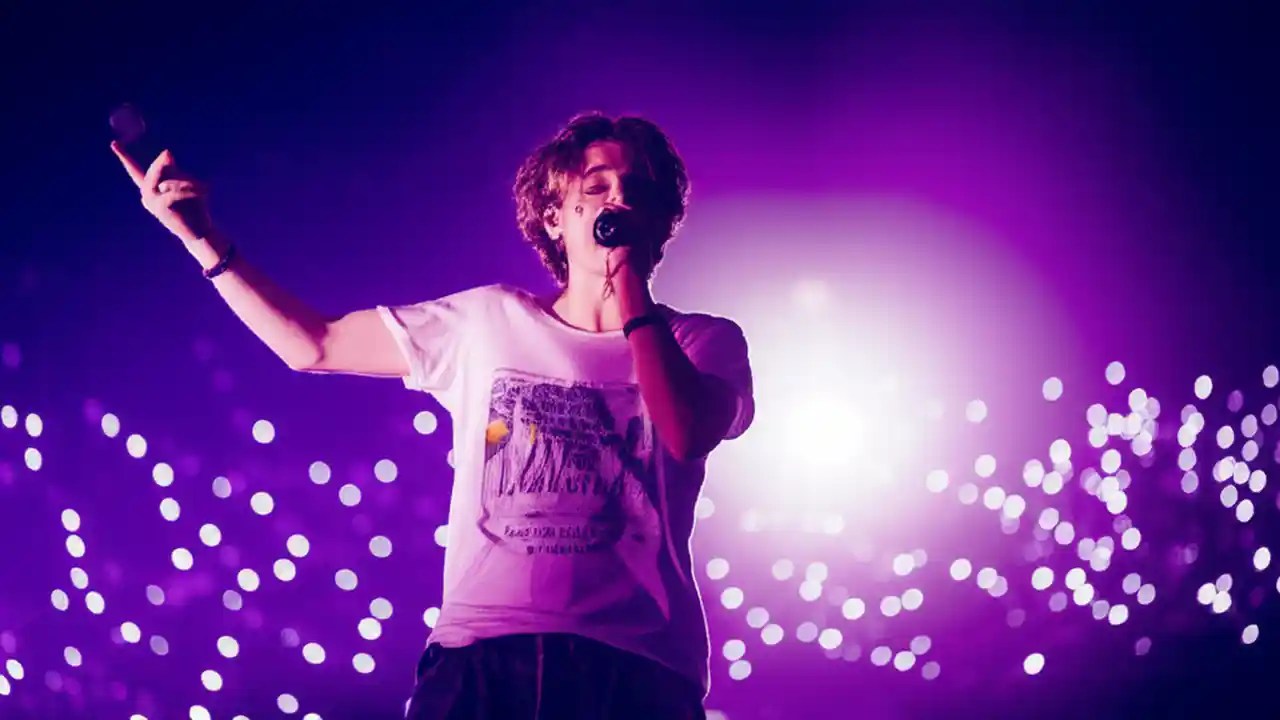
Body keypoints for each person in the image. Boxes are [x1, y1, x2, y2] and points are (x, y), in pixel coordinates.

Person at [112, 111, 755, 719]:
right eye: (597, 185)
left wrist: (630, 295)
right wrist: (203, 241)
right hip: (482, 663)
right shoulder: (487, 321)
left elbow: (687, 432)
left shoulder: (703, 341)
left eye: (635, 188)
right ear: (556, 216)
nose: (618, 199)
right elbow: (312, 345)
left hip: (633, 670)